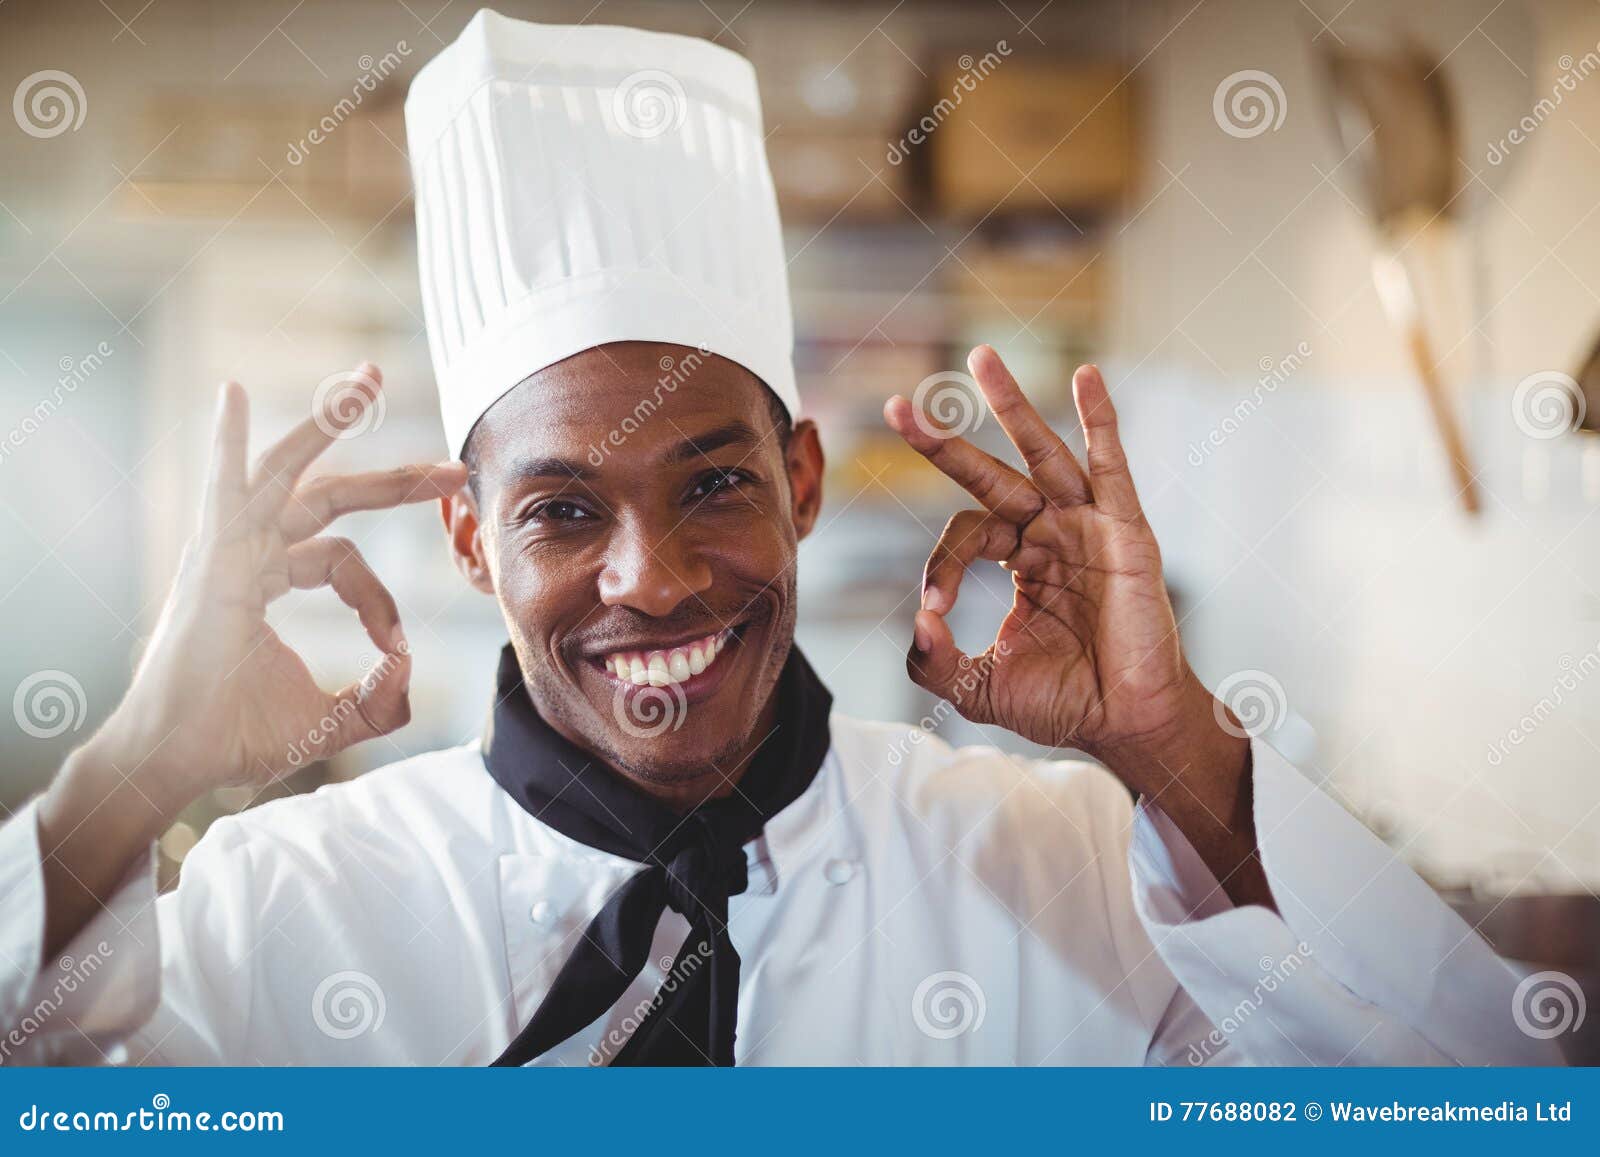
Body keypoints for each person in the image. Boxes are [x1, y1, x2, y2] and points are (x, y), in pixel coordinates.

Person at [0, 10, 1559, 1067]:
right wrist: (130, 767)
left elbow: (1470, 1102)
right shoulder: (292, 906)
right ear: (471, 541)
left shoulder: (1065, 874)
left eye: (715, 482)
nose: (654, 577)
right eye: (561, 511)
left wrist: (1179, 751)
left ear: (806, 477)